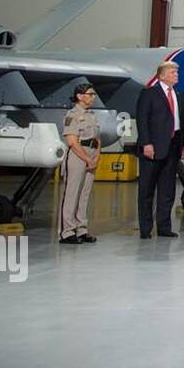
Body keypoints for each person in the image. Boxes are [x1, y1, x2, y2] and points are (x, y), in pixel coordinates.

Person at [135, 60, 184, 239]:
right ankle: (145, 228)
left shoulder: (179, 95)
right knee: (147, 190)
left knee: (167, 190)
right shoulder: (149, 94)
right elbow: (142, 120)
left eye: (177, 72)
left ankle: (164, 227)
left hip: (173, 147)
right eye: (173, 72)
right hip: (153, 147)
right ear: (162, 75)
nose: (176, 75)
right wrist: (146, 143)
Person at [58, 82, 100, 245]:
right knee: (72, 193)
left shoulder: (91, 115)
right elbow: (72, 142)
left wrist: (96, 155)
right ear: (80, 96)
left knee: (84, 194)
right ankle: (67, 231)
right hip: (78, 155)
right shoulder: (72, 115)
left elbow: (97, 138)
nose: (93, 97)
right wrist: (87, 159)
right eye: (90, 94)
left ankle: (81, 229)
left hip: (91, 153)